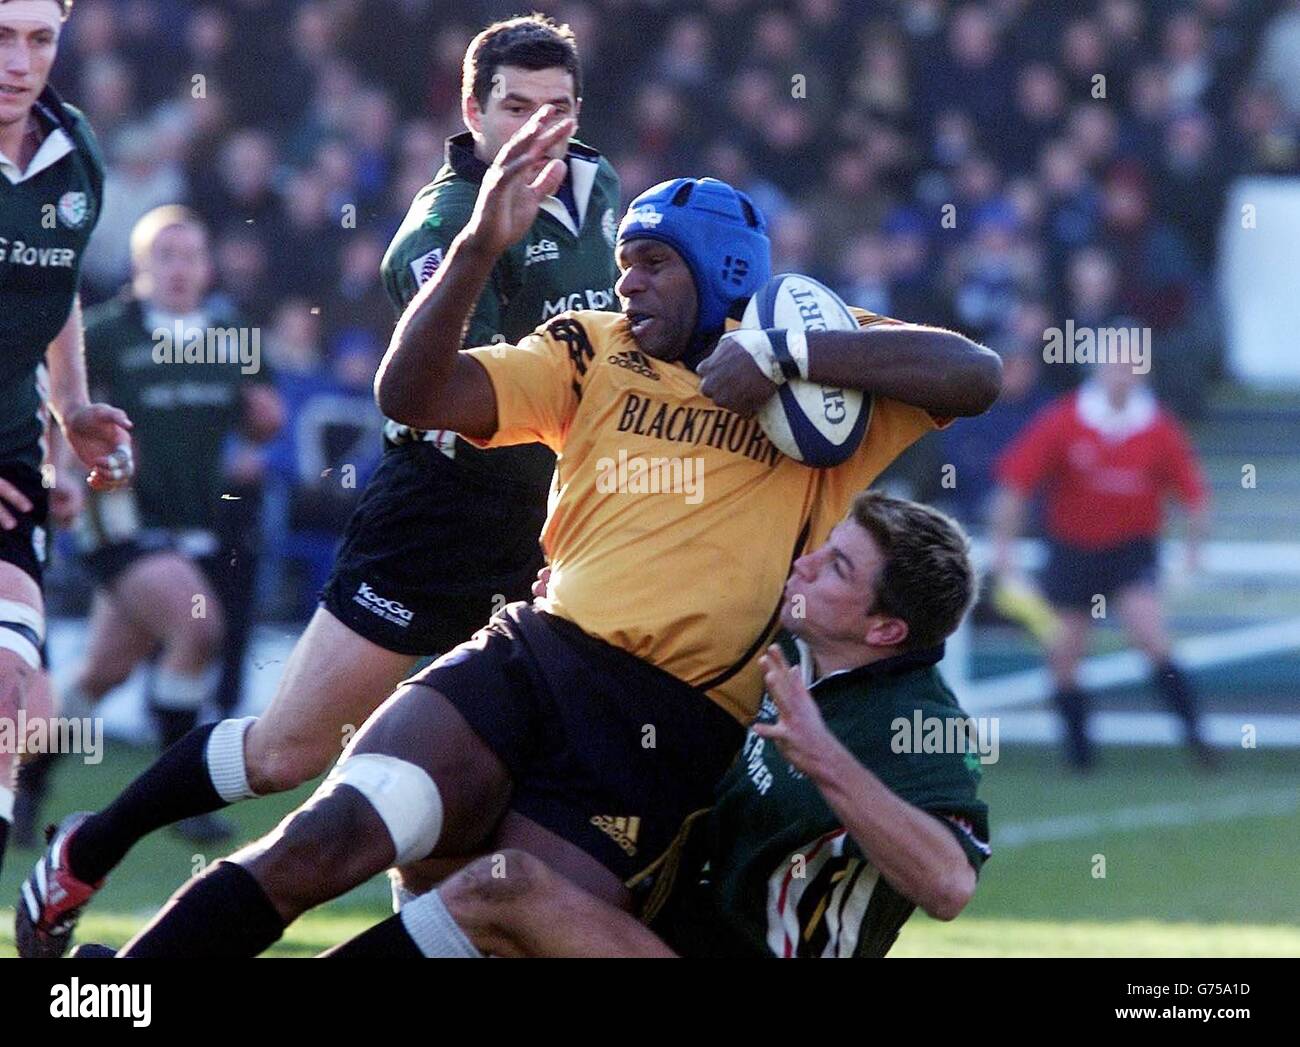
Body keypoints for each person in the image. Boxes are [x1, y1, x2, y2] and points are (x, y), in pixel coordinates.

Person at [107, 106, 1001, 958]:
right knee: (328, 835)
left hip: (665, 725)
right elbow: (413, 396)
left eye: (652, 261)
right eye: (623, 260)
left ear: (724, 270)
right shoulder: (590, 343)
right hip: (533, 656)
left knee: (499, 923)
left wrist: (790, 355)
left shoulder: (820, 388)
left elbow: (977, 373)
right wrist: (477, 246)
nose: (626, 281)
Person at [15, 13, 621, 957]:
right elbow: (456, 391)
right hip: (443, 521)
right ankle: (83, 850)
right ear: (471, 110)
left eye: (558, 108)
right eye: (514, 108)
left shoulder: (602, 190)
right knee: (289, 752)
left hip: (557, 526)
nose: (538, 129)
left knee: (490, 805)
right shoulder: (439, 228)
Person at [320, 491, 991, 959]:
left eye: (837, 565)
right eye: (827, 545)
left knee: (508, 887)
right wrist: (582, 598)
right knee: (444, 839)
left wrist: (826, 760)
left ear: (884, 629)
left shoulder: (919, 723)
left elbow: (949, 885)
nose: (806, 562)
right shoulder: (791, 647)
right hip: (664, 923)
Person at [14, 206, 283, 853]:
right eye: (165, 254)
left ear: (208, 267)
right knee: (199, 628)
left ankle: (23, 783)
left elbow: (262, 420)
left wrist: (260, 422)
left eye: (191, 254)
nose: (180, 267)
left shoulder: (228, 332)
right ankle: (182, 799)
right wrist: (56, 470)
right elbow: (51, 400)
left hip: (193, 525)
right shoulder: (105, 332)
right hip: (121, 518)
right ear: (140, 267)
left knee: (103, 673)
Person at [0, 0, 134, 880]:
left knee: (16, 701)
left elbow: (61, 283)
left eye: (40, 38)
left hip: (10, 453)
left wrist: (72, 408)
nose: (19, 60)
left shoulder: (71, 147)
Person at [990, 359, 1213, 770]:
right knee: (1063, 655)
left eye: (1131, 366)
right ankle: (1081, 760)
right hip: (1072, 550)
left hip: (1131, 550)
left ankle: (1200, 742)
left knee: (1151, 637)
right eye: (1115, 365)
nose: (1122, 373)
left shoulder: (1158, 425)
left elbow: (1194, 495)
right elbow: (1015, 485)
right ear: (1098, 368)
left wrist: (1191, 553)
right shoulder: (1064, 418)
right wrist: (1004, 554)